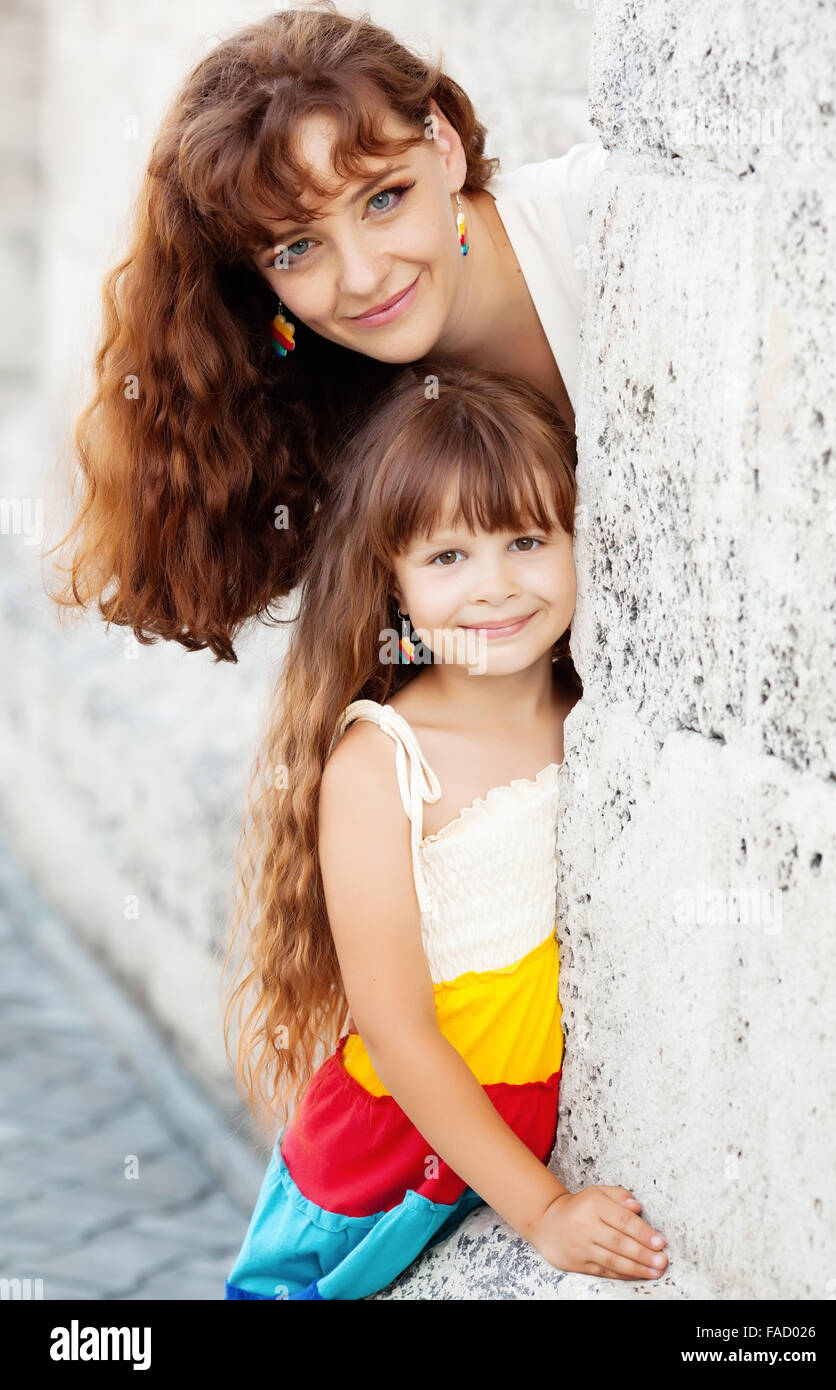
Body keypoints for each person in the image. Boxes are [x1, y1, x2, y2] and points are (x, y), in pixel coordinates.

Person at [219, 360, 667, 1299]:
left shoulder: (597, 713)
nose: (496, 587)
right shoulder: (383, 764)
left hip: (510, 1121)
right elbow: (397, 1033)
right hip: (383, 1162)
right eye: (448, 557)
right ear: (395, 584)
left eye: (527, 540)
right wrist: (542, 1211)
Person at [47, 2, 609, 664]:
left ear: (445, 146)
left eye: (384, 198)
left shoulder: (604, 223)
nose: (364, 276)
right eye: (297, 247)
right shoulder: (324, 399)